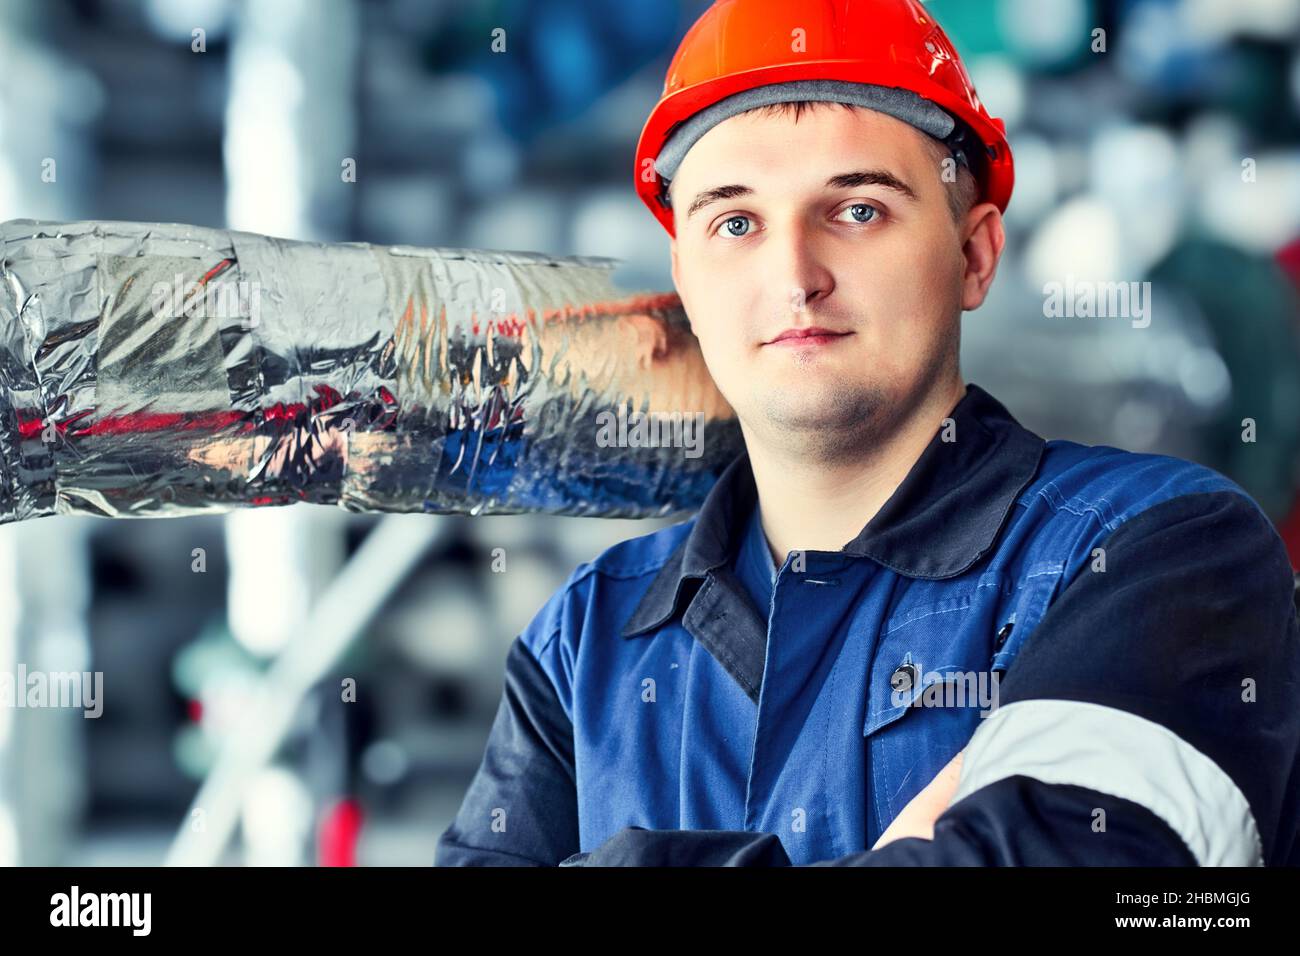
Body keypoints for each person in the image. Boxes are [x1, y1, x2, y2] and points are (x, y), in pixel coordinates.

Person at [435, 0, 1300, 866]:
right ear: (685, 281)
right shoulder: (583, 642)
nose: (794, 277)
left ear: (975, 255)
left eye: (856, 210)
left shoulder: (1160, 551)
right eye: (735, 223)